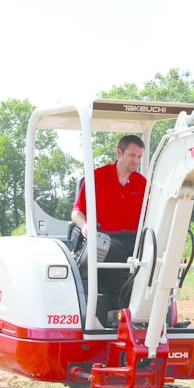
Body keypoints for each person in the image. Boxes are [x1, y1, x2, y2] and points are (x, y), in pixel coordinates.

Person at [71, 135, 147, 317]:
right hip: (104, 236)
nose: (136, 160)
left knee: (152, 250)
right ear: (119, 152)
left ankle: (149, 304)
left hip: (134, 237)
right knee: (116, 249)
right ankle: (118, 303)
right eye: (132, 155)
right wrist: (85, 226)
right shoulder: (96, 178)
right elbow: (77, 212)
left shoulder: (142, 183)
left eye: (139, 157)